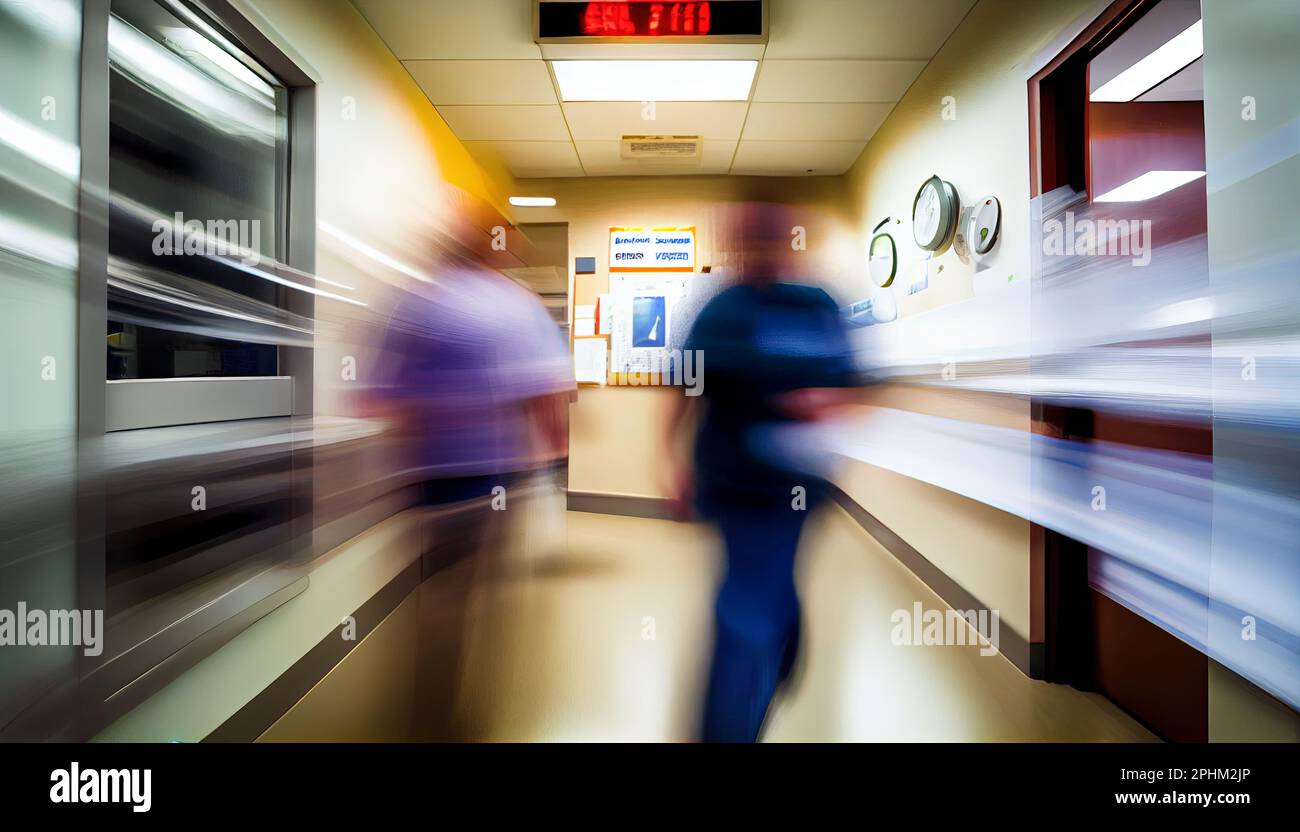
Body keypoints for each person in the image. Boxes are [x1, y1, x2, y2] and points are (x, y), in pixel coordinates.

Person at [663, 203, 860, 742]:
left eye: (765, 239)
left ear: (789, 242)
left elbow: (854, 384)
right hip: (731, 480)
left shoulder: (817, 304)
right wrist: (668, 458)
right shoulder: (721, 309)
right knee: (744, 607)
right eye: (745, 241)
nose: (755, 251)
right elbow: (686, 387)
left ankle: (779, 638)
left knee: (765, 588)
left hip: (797, 484)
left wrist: (822, 403)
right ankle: (728, 723)